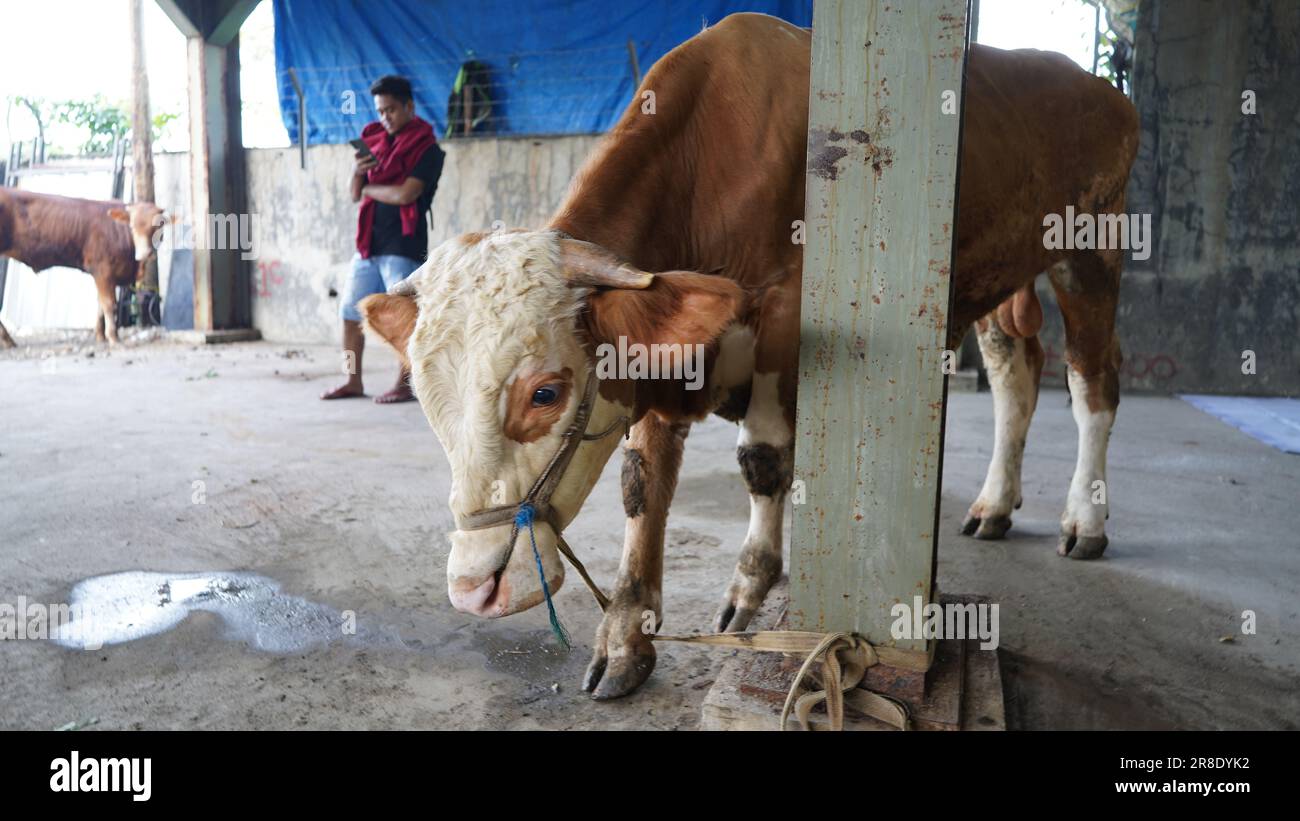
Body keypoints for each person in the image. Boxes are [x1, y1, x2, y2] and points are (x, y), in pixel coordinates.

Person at [322, 74, 445, 403]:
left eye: (391, 109)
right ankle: (353, 381)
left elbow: (406, 194)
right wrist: (358, 172)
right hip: (368, 245)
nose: (385, 117)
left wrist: (369, 189)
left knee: (405, 319)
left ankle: (405, 384)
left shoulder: (428, 149)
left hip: (403, 244)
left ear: (409, 106)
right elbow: (353, 194)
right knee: (350, 314)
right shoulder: (374, 143)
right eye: (380, 111)